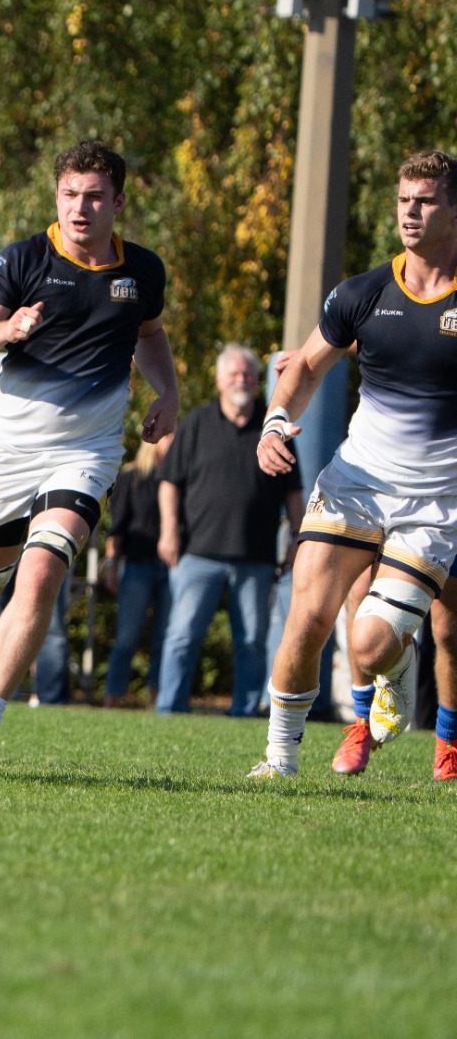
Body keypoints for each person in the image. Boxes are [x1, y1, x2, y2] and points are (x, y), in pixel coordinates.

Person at [0, 140, 177, 763]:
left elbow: (149, 333)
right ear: (56, 198)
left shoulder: (143, 271)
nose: (81, 207)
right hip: (10, 448)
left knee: (41, 572)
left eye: (95, 196)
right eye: (70, 195)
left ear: (118, 202)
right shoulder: (22, 260)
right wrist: (5, 331)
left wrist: (168, 392)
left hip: (87, 450)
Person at [252, 151, 457, 782]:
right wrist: (275, 422)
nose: (410, 213)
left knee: (368, 643)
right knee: (308, 618)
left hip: (435, 501)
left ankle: (399, 672)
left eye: (424, 200)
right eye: (403, 201)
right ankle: (279, 761)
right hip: (356, 482)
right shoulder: (363, 292)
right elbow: (305, 368)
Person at [155, 344, 302, 717]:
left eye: (249, 374)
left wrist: (297, 539)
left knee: (252, 641)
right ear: (219, 380)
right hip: (197, 553)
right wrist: (168, 531)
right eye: (234, 374)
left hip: (255, 556)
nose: (242, 380)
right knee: (181, 637)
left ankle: (244, 711)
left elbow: (293, 493)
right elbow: (169, 481)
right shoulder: (196, 423)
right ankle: (169, 709)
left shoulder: (275, 431)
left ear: (258, 381)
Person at [101, 437, 171, 707]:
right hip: (137, 566)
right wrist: (111, 563)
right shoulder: (132, 476)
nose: (174, 441)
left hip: (170, 567)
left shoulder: (179, 476)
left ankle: (158, 700)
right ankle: (113, 697)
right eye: (169, 435)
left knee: (164, 639)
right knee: (127, 637)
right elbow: (116, 526)